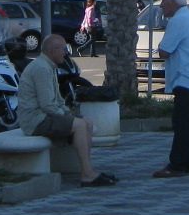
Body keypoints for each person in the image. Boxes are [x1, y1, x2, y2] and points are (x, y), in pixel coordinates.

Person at [16, 34, 116, 186]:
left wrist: (69, 114)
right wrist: (68, 118)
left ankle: (87, 170)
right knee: (79, 125)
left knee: (86, 122)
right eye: (64, 49)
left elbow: (57, 100)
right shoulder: (41, 69)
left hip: (45, 116)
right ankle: (87, 174)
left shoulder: (48, 66)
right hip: (35, 121)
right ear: (54, 51)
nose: (66, 52)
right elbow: (47, 105)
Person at [153, 0, 189, 178]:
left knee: (182, 123)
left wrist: (160, 47)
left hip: (185, 79)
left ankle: (177, 164)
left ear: (174, 3)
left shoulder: (178, 21)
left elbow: (164, 51)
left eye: (164, 2)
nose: (161, 6)